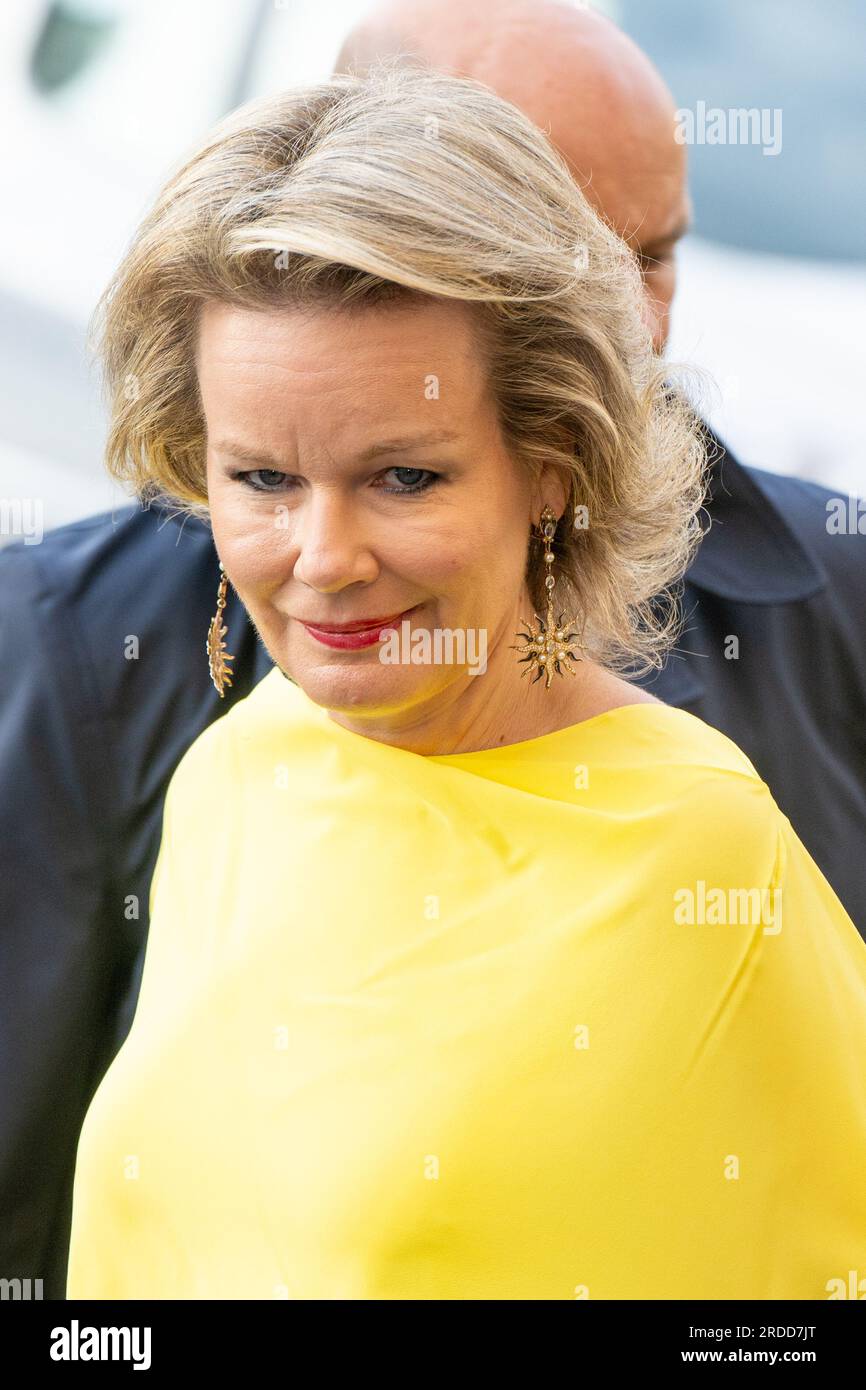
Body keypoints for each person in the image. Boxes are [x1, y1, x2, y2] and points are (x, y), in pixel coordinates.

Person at [1, 1, 863, 1301]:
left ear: (550, 462)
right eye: (261, 476)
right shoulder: (235, 769)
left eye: (404, 476)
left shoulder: (706, 855)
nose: (323, 554)